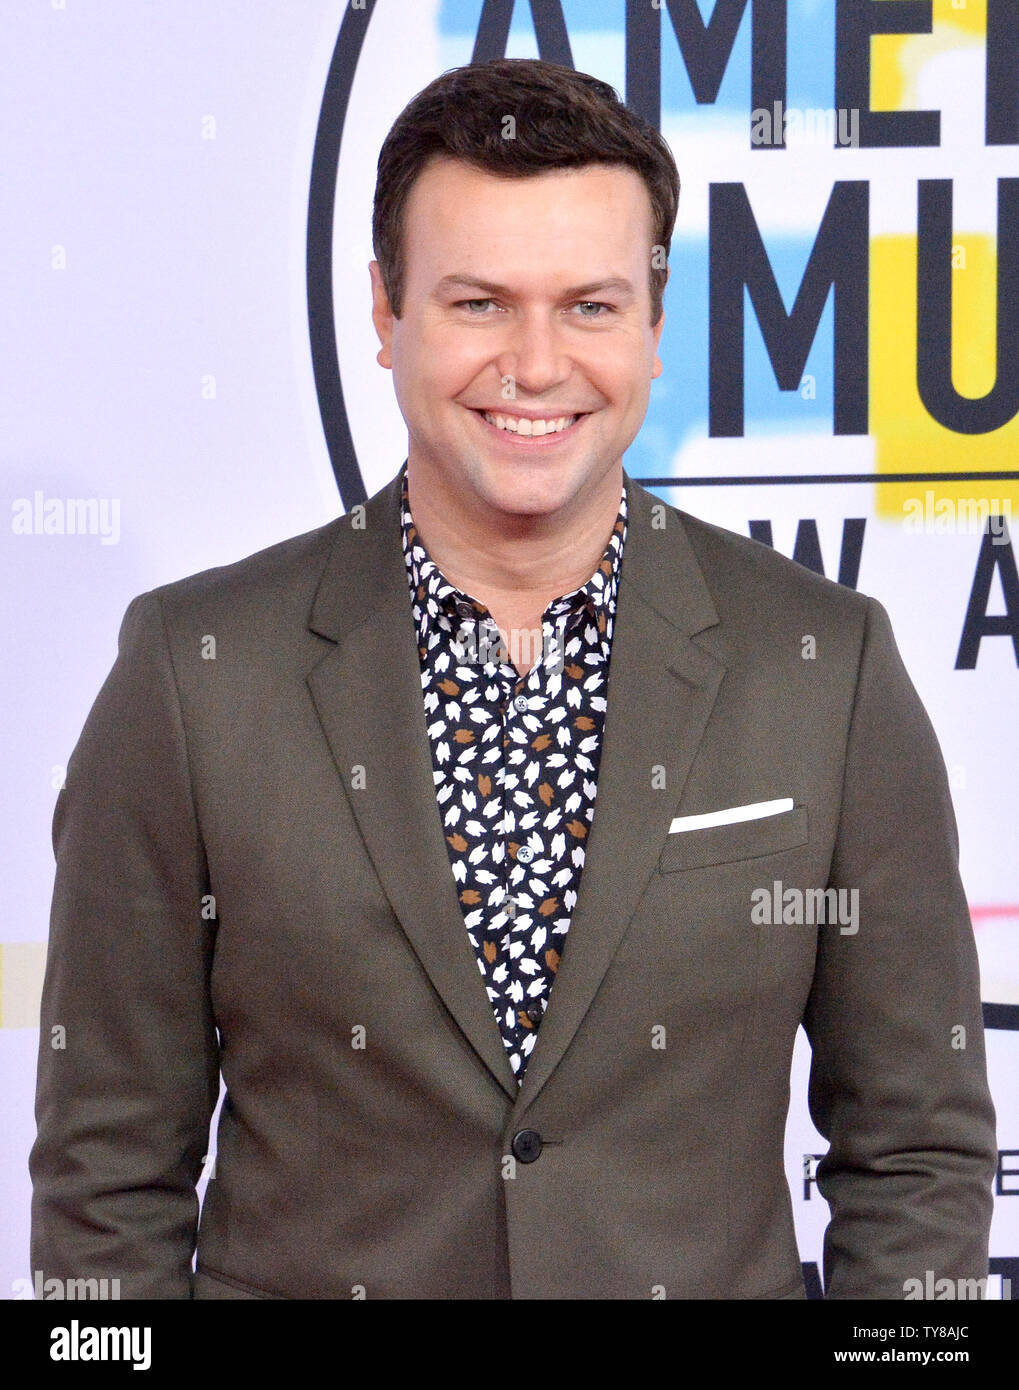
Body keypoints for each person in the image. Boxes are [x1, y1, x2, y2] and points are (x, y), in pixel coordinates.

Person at [30, 58, 996, 1300]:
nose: (535, 366)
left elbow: (915, 1148)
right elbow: (105, 1180)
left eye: (588, 306)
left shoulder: (822, 667)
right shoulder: (194, 673)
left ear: (653, 324)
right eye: (478, 303)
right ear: (384, 314)